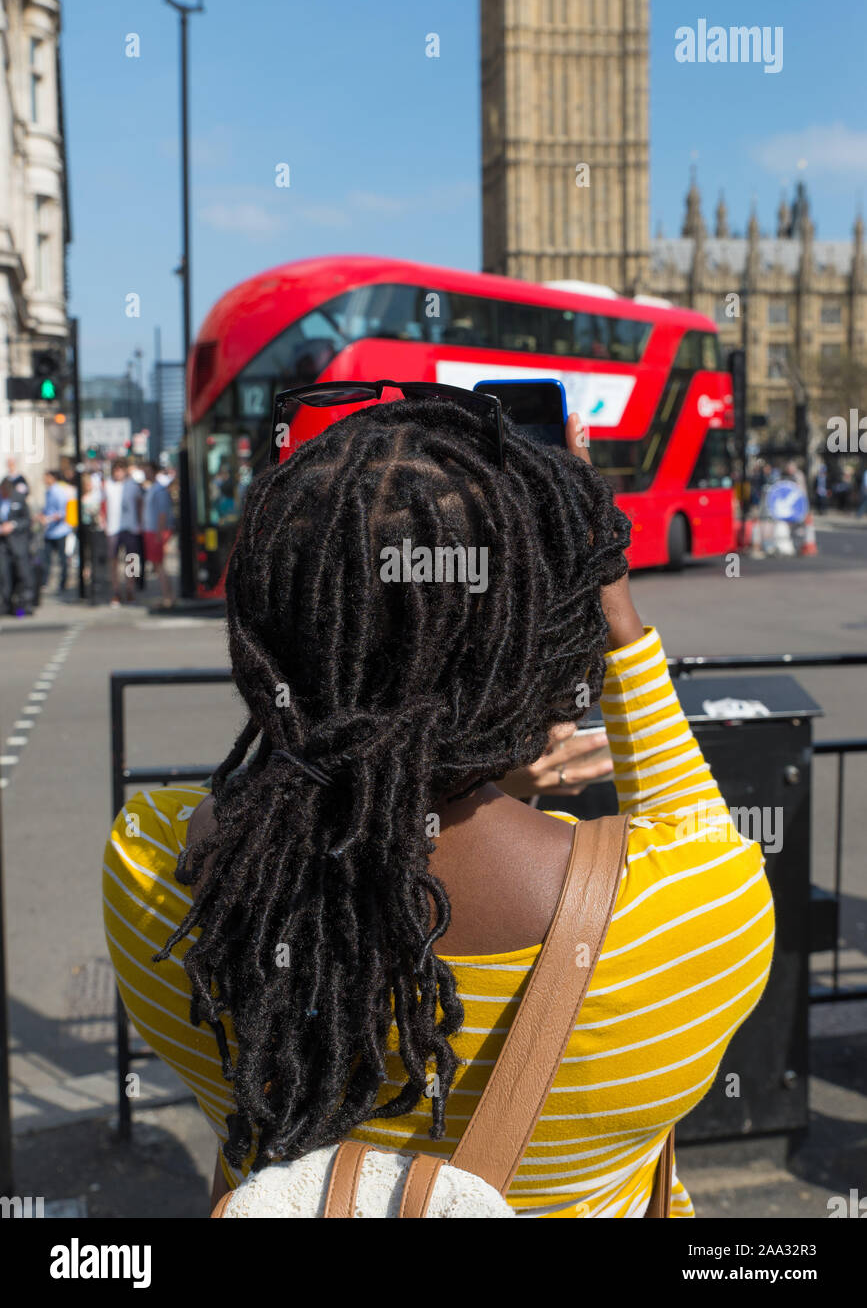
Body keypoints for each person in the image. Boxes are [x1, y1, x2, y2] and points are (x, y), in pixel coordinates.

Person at [104, 399, 774, 1218]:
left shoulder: (150, 864)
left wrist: (414, 787)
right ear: (546, 641)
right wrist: (617, 622)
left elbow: (343, 812)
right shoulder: (692, 910)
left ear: (260, 625)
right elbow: (694, 826)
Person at [104, 458, 142, 605]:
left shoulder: (133, 486)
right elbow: (103, 504)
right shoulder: (108, 485)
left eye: (121, 470)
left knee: (131, 560)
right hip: (113, 527)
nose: (118, 473)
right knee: (113, 561)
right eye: (116, 470)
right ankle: (116, 591)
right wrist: (104, 522)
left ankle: (130, 589)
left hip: (130, 527)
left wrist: (139, 523)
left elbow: (140, 504)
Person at [0, 474, 34, 615]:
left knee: (23, 574)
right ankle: (5, 604)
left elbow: (27, 520)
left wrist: (13, 525)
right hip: (3, 544)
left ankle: (24, 605)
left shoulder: (19, 498)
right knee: (4, 574)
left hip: (18, 543)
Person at [142, 463, 175, 608]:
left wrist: (159, 534)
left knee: (160, 565)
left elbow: (163, 514)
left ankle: (168, 597)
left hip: (156, 531)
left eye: (148, 471)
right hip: (152, 530)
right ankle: (167, 595)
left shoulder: (159, 490)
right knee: (158, 565)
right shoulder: (152, 489)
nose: (146, 474)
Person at [39, 469, 72, 595]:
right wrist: (41, 515)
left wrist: (48, 519)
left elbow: (62, 512)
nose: (44, 480)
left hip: (60, 531)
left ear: (52, 478)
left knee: (62, 559)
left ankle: (63, 582)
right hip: (49, 531)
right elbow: (48, 509)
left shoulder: (58, 492)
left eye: (46, 477)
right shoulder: (48, 491)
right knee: (46, 558)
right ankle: (45, 582)